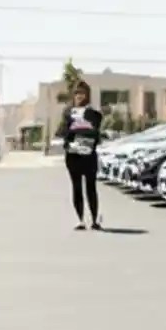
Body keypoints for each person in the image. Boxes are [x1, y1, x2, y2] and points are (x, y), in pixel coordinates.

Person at [57, 81, 103, 230]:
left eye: (82, 93)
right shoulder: (68, 112)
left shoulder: (94, 113)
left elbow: (96, 131)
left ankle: (94, 219)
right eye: (77, 93)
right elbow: (63, 131)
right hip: (73, 155)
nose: (79, 96)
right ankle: (80, 219)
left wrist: (86, 122)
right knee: (76, 187)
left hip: (89, 155)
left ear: (87, 95)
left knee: (91, 187)